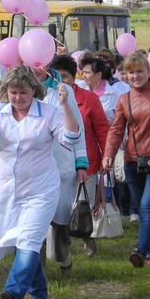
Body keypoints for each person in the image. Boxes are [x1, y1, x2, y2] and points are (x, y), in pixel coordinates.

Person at [0, 65, 81, 299]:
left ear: (34, 90)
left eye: (23, 92)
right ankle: (39, 293)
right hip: (8, 189)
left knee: (30, 239)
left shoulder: (49, 112)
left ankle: (13, 292)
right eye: (13, 92)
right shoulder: (0, 111)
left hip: (41, 189)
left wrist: (65, 106)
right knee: (17, 239)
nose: (18, 98)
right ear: (6, 91)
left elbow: (71, 137)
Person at [102, 53, 150, 266]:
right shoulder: (124, 99)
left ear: (148, 71)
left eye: (139, 71)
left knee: (147, 206)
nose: (135, 76)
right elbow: (116, 130)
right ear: (124, 75)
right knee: (145, 210)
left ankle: (140, 250)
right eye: (130, 72)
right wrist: (108, 154)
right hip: (132, 161)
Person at [28, 63, 87, 272]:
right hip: (33, 168)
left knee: (60, 219)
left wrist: (81, 162)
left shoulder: (63, 90)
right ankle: (38, 272)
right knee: (35, 222)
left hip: (62, 164)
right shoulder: (21, 91)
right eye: (29, 65)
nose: (34, 70)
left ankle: (64, 256)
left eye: (38, 65)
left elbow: (77, 127)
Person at [50, 54, 110, 258]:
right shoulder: (46, 97)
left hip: (86, 162)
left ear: (73, 77)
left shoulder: (88, 98)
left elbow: (102, 130)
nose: (60, 81)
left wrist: (106, 156)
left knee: (81, 206)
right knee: (59, 209)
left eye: (65, 77)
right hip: (56, 164)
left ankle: (87, 238)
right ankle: (62, 252)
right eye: (56, 76)